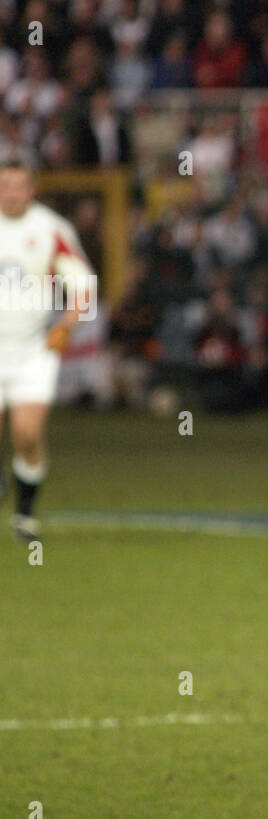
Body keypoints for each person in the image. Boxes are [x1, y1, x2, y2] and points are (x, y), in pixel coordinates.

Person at [0, 155, 95, 539]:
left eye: (18, 186)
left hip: (34, 347)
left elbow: (83, 283)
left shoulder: (51, 228)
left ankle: (24, 514)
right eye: (4, 186)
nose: (11, 194)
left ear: (31, 190)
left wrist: (68, 323)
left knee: (26, 433)